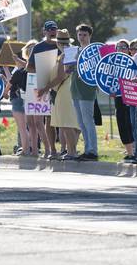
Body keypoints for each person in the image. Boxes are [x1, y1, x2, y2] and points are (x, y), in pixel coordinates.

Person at [40, 29, 79, 160]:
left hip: (65, 90)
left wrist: (46, 88)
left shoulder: (65, 55)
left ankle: (72, 152)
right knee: (72, 123)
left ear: (59, 43)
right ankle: (72, 151)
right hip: (72, 88)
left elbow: (61, 76)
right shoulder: (74, 52)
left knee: (66, 123)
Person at [28, 21, 61, 158]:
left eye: (54, 29)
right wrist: (42, 70)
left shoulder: (62, 46)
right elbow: (29, 67)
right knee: (48, 120)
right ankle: (51, 149)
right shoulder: (38, 47)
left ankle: (65, 149)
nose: (52, 32)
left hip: (60, 85)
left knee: (61, 120)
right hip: (43, 87)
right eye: (49, 30)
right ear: (44, 32)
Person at [68, 25, 99, 161]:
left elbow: (99, 70)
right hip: (75, 88)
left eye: (85, 35)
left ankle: (93, 151)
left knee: (88, 121)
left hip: (87, 89)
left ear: (90, 36)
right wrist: (69, 60)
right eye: (80, 35)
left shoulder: (94, 51)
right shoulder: (75, 50)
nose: (82, 37)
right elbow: (67, 70)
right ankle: (87, 150)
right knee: (81, 123)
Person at [4, 40, 35, 157]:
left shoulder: (22, 70)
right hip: (28, 98)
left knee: (22, 127)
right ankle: (32, 148)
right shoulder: (34, 68)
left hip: (18, 98)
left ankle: (26, 149)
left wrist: (5, 92)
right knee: (31, 126)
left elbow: (11, 82)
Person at [113, 38, 136, 159]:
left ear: (129, 50)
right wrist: (110, 91)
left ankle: (136, 150)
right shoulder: (112, 65)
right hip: (118, 98)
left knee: (132, 123)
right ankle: (130, 152)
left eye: (124, 47)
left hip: (132, 97)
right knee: (122, 124)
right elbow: (109, 82)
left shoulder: (134, 63)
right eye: (119, 47)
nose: (121, 49)